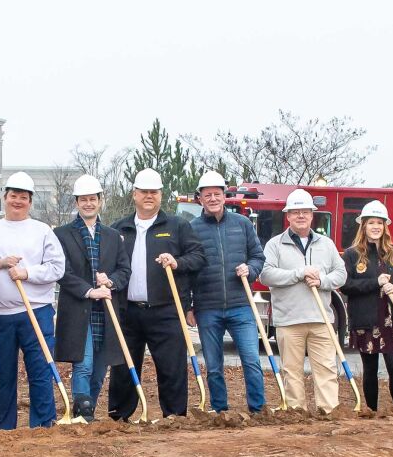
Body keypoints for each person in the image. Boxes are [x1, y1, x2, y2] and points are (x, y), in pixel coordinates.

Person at [109, 169, 205, 419]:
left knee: (171, 367)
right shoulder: (119, 228)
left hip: (166, 310)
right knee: (123, 365)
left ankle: (173, 416)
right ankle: (120, 416)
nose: (148, 196)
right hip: (128, 310)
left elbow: (198, 257)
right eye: (144, 192)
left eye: (154, 192)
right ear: (134, 195)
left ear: (161, 195)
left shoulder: (178, 225)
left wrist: (177, 262)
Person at [0, 173, 66, 429]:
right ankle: (3, 429)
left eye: (23, 197)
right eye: (13, 196)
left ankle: (43, 425)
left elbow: (57, 268)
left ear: (30, 201)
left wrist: (28, 273)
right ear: (4, 197)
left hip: (36, 313)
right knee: (2, 376)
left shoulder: (42, 230)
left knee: (40, 372)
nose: (18, 201)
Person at [185, 171, 267, 414]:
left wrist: (250, 269)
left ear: (224, 196)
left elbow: (258, 257)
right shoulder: (192, 229)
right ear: (200, 198)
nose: (212, 198)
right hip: (207, 307)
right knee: (213, 365)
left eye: (217, 194)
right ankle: (220, 410)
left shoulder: (242, 224)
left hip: (241, 305)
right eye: (207, 194)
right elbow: (187, 270)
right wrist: (190, 305)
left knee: (251, 360)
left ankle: (258, 409)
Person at [260, 189, 347, 413]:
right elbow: (266, 275)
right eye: (296, 212)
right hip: (289, 321)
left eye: (305, 212)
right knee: (291, 371)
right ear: (287, 216)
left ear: (312, 215)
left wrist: (322, 280)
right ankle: (296, 413)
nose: (301, 216)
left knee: (326, 369)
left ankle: (329, 412)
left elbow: (341, 274)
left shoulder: (326, 245)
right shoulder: (275, 245)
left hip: (321, 320)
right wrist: (297, 274)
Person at [53, 174, 129, 421]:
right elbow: (62, 271)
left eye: (92, 199)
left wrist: (111, 282)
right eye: (83, 200)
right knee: (83, 364)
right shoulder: (62, 234)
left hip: (105, 310)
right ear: (76, 202)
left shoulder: (112, 235)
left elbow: (124, 270)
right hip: (78, 308)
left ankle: (88, 411)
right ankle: (82, 414)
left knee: (99, 369)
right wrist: (88, 290)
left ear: (100, 201)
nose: (88, 203)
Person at [339, 201, 393, 411]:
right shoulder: (352, 254)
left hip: (391, 321)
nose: (376, 227)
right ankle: (371, 411)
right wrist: (374, 283)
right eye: (371, 223)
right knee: (370, 370)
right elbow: (346, 286)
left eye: (380, 223)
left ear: (385, 226)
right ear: (364, 226)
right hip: (366, 320)